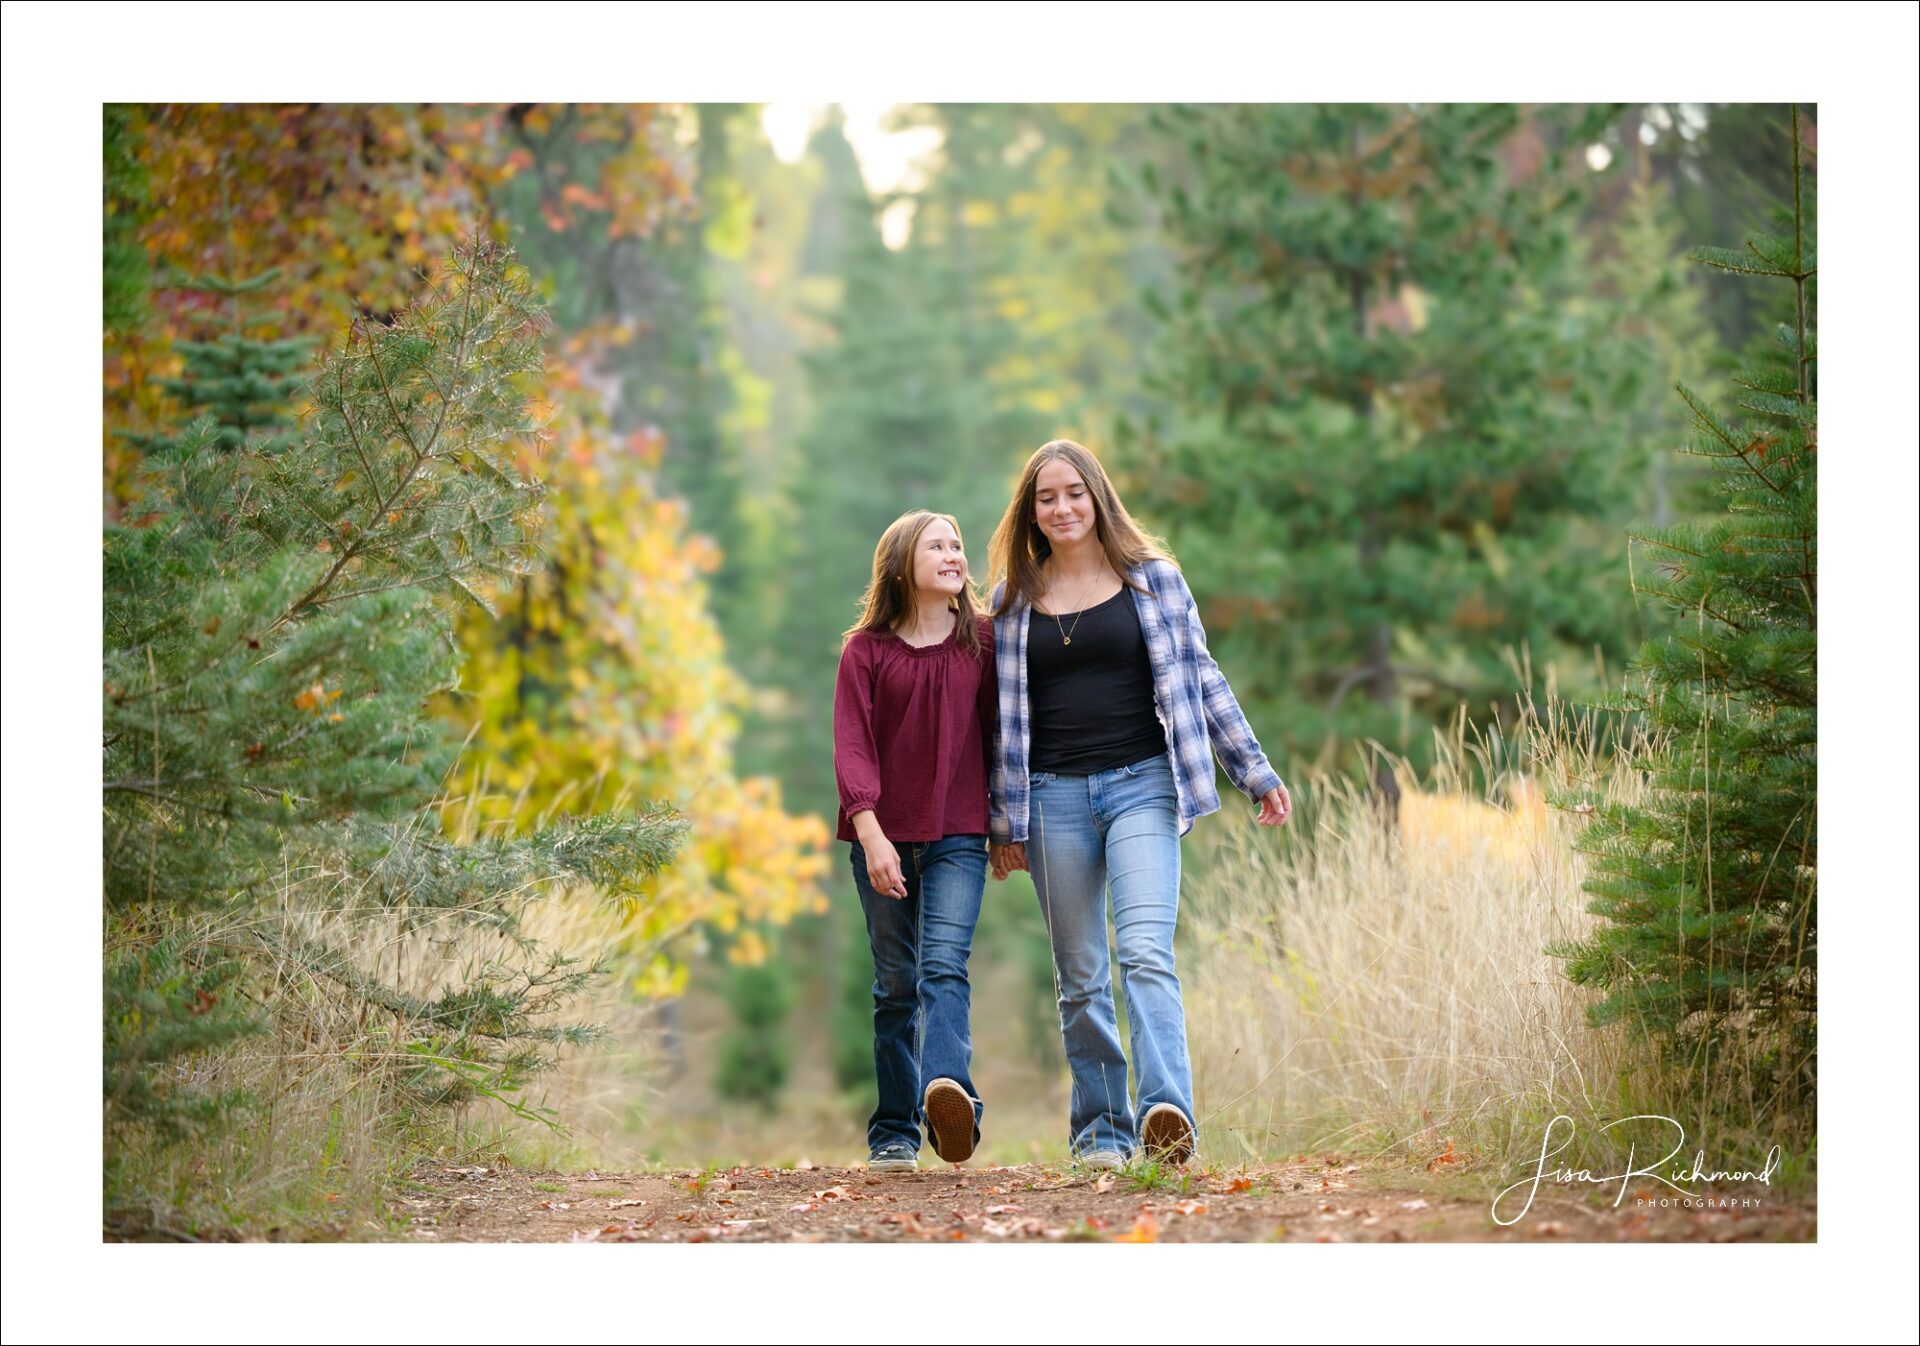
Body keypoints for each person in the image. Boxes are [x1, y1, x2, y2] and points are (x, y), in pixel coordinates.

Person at [986, 439, 1292, 1170]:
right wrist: (1002, 820)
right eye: (1046, 497)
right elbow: (992, 720)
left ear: (1098, 498)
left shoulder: (1155, 582)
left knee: (1146, 953)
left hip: (1143, 786)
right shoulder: (1009, 603)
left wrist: (1252, 768)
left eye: (1073, 493)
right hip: (1051, 797)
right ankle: (1101, 1132)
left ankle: (1167, 1115)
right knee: (1081, 973)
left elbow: (1202, 676)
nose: (1061, 508)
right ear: (1031, 512)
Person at [833, 508, 997, 1173]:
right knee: (896, 984)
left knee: (942, 966)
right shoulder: (865, 652)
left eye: (958, 545)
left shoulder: (983, 643)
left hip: (960, 832)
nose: (954, 553)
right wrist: (872, 835)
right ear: (903, 563)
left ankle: (948, 1098)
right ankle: (893, 1130)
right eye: (937, 545)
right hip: (883, 836)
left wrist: (1008, 825)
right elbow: (852, 748)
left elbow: (1001, 734)